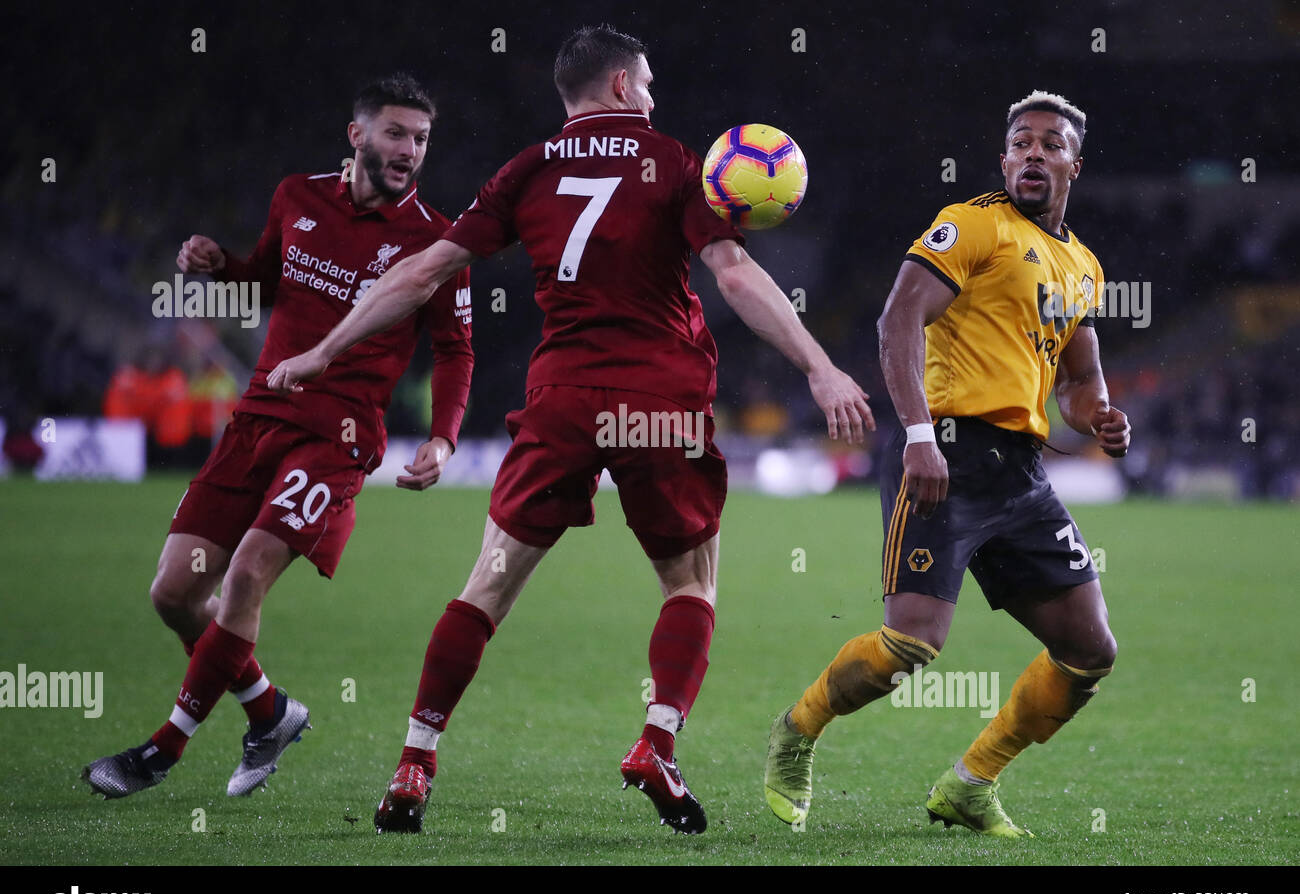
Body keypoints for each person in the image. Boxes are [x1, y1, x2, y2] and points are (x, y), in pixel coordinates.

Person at [269, 25, 875, 835]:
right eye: (649, 83)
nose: (655, 97)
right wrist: (819, 366)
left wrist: (322, 349)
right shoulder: (672, 163)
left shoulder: (528, 168)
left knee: (486, 584)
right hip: (658, 395)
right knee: (690, 584)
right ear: (623, 86)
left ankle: (414, 762)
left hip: (561, 395)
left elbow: (419, 273)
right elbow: (733, 273)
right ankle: (657, 741)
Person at [83, 74, 474, 799]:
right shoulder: (296, 196)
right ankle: (270, 712)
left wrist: (444, 438)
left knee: (244, 577)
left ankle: (161, 752)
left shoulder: (437, 242)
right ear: (357, 135)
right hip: (259, 415)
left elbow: (456, 350)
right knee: (173, 593)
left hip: (339, 435)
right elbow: (267, 284)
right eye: (395, 133)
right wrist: (218, 269)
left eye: (420, 139)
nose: (409, 150)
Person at [764, 91, 1130, 837]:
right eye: (1020, 141)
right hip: (944, 453)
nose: (1033, 152)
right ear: (1003, 160)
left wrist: (1101, 417)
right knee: (911, 644)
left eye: (1050, 143)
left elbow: (1079, 381)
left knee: (1089, 649)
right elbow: (899, 317)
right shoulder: (971, 224)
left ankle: (971, 783)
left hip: (1022, 474)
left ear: (1075, 165)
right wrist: (919, 434)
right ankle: (796, 732)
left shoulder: (1083, 266)